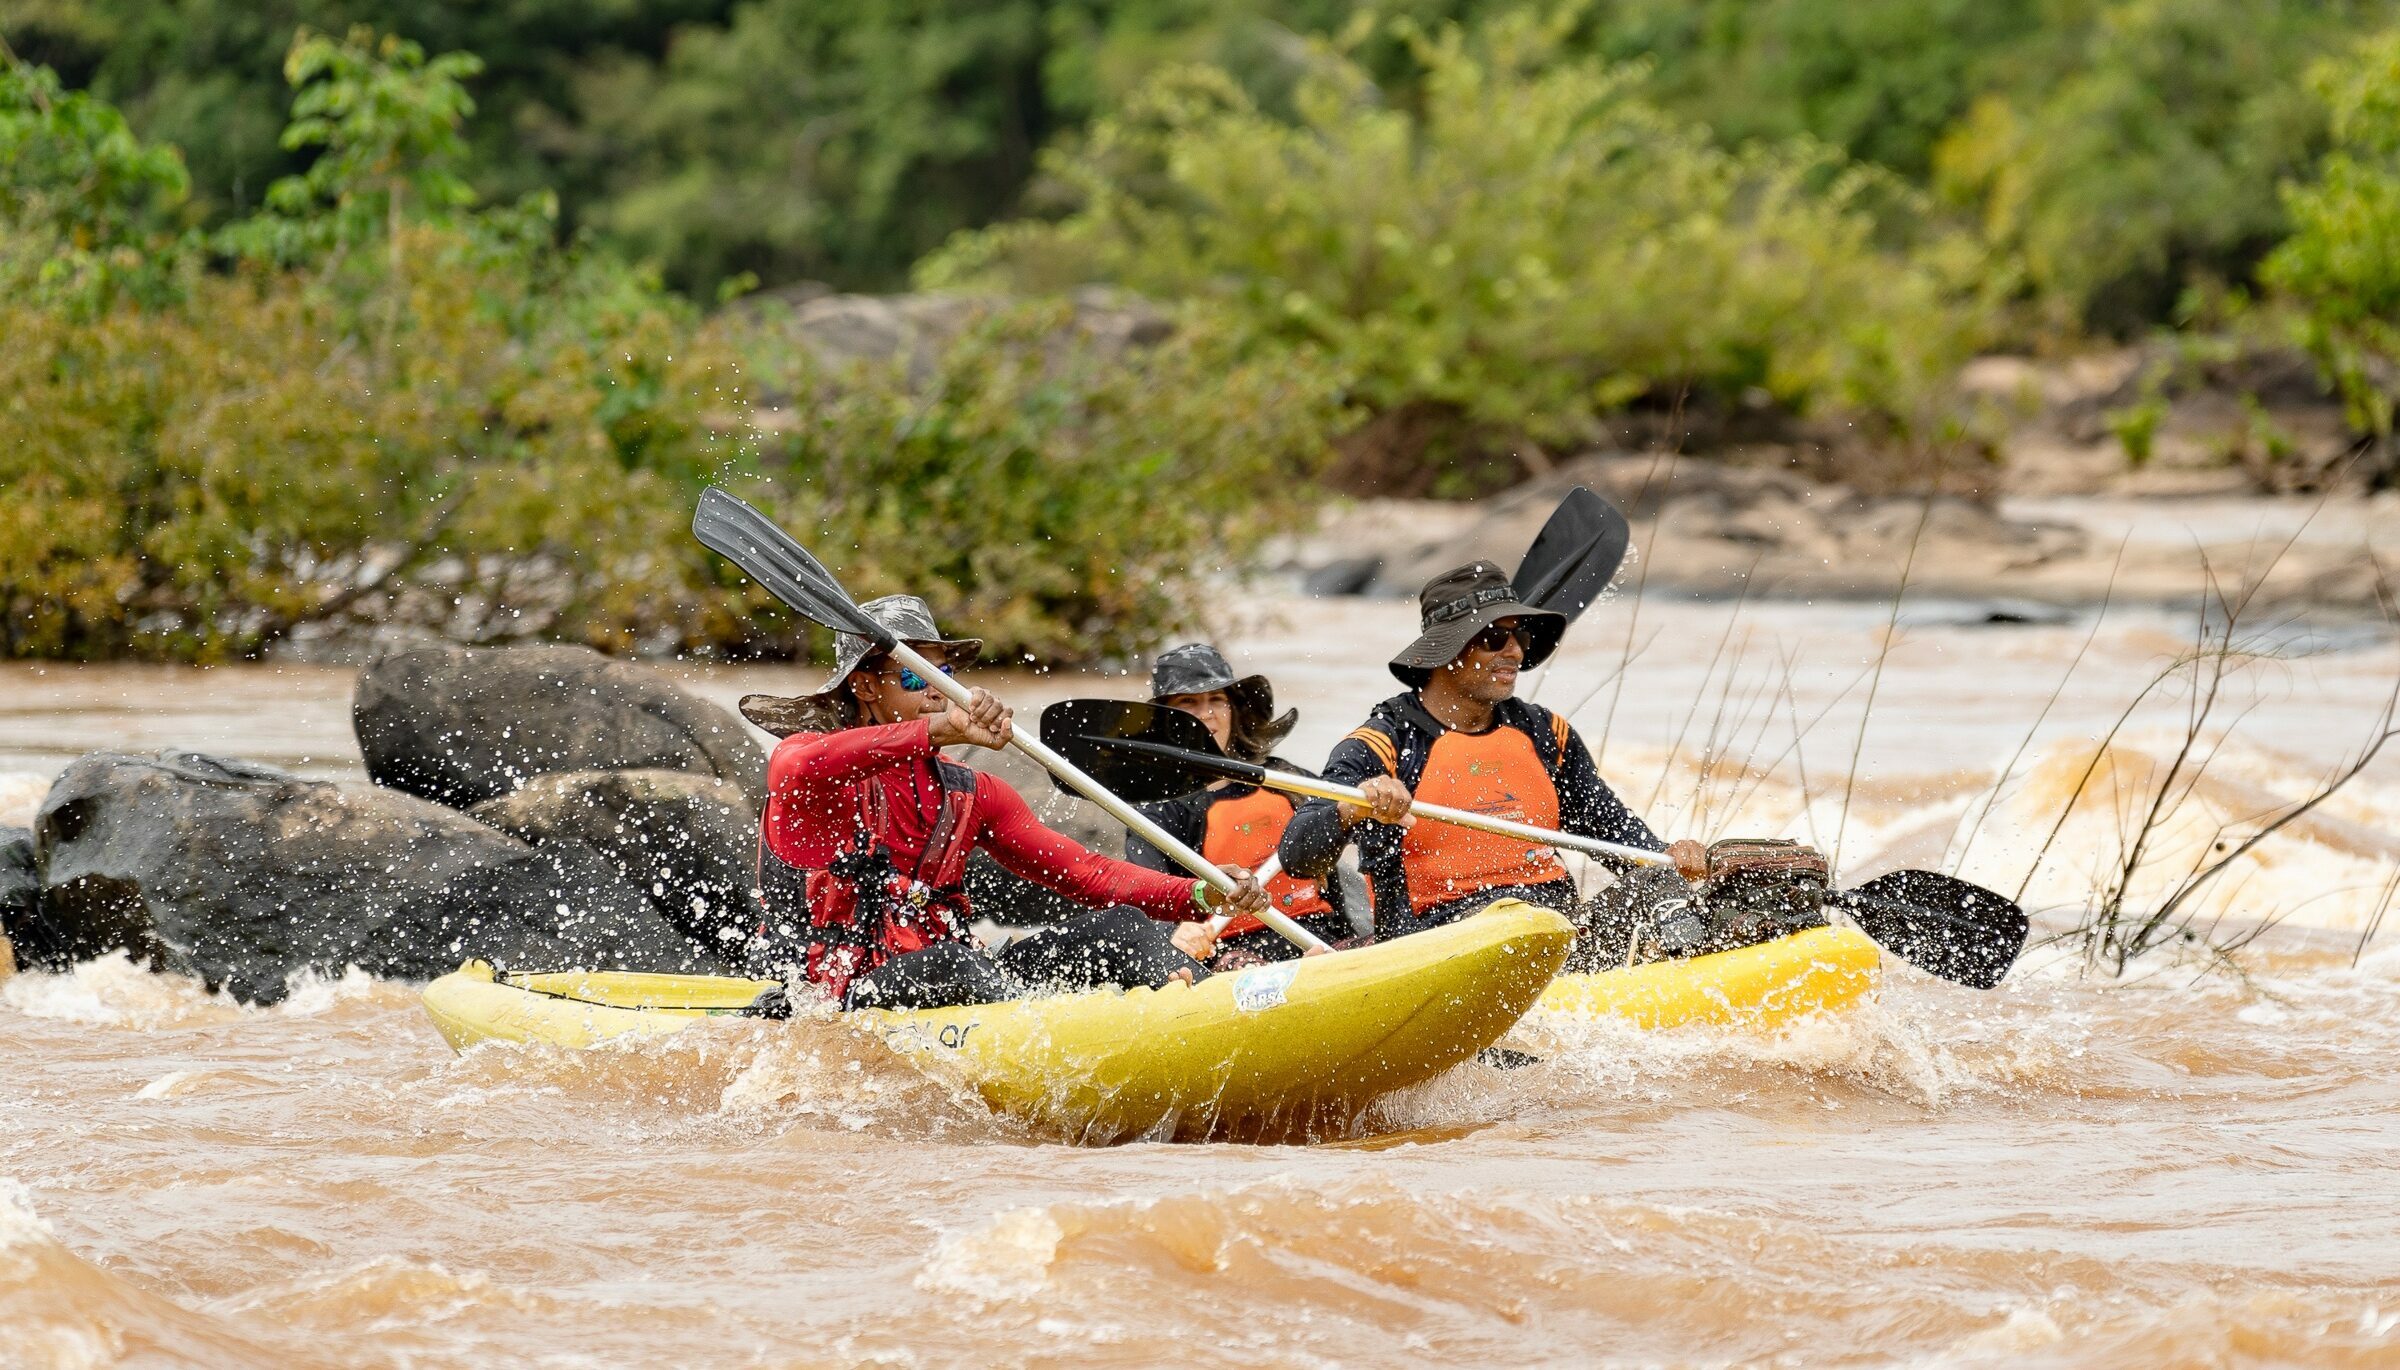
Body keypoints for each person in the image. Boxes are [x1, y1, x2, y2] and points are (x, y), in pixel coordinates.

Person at [736, 595, 1268, 1011]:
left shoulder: (974, 792)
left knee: (1121, 929)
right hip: (842, 995)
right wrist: (937, 729)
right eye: (917, 674)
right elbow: (791, 765)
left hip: (962, 982)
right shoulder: (822, 780)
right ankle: (1044, 1048)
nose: (938, 688)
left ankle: (1226, 1017)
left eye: (944, 673)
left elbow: (1089, 874)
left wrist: (1202, 894)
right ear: (867, 686)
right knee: (956, 965)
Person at [1277, 561, 1710, 966]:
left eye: (1518, 635)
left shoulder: (1545, 733)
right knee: (1513, 923)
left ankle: (1686, 972)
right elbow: (1298, 855)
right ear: (1447, 651)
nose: (1516, 653)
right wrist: (1351, 807)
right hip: (1439, 946)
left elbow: (1612, 832)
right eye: (1494, 639)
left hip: (1553, 930)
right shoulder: (1381, 744)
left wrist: (1667, 858)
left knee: (1670, 883)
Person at [1120, 643, 1356, 965]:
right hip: (1231, 955)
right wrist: (1173, 933)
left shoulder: (1287, 780)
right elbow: (1145, 892)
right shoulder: (1159, 810)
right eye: (1189, 703)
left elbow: (1346, 833)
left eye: (1217, 700)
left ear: (1234, 709)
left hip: (1319, 940)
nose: (1207, 714)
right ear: (1165, 718)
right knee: (1244, 966)